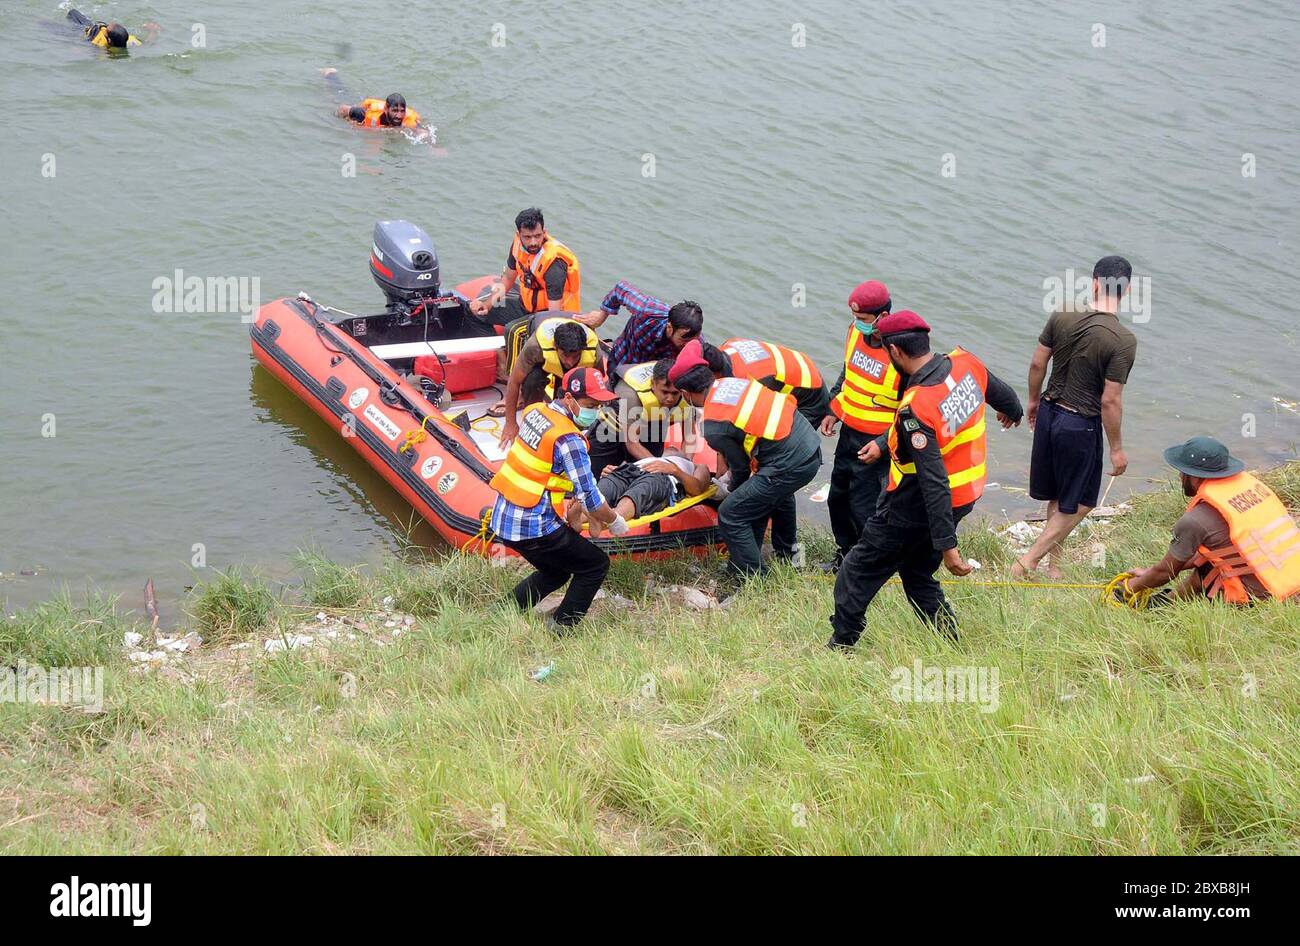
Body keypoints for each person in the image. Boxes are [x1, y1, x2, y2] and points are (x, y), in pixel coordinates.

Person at [828, 311, 1024, 650]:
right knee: (917, 575)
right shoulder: (966, 364)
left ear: (896, 353)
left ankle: (841, 644)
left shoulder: (916, 408)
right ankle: (953, 642)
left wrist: (949, 549)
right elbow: (1008, 399)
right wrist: (1014, 412)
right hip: (965, 496)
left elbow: (933, 481)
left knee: (855, 571)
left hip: (914, 505)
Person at [1014, 255, 1138, 580]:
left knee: (1059, 496)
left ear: (1095, 282)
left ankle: (1056, 568)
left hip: (1049, 413)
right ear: (1126, 290)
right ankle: (1027, 561)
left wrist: (1032, 400)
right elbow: (1110, 400)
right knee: (1082, 502)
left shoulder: (1064, 313)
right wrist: (1117, 448)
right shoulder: (1122, 340)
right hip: (1079, 424)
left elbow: (1037, 364)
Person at [488, 367, 629, 631]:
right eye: (590, 404)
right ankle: (561, 629)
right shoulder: (569, 439)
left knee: (557, 571)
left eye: (600, 405)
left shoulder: (536, 412)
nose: (596, 411)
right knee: (595, 565)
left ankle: (500, 613)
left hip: (505, 518)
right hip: (533, 526)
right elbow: (590, 497)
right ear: (568, 398)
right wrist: (615, 520)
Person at [671, 341, 822, 577]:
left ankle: (755, 579)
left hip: (789, 463)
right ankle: (777, 558)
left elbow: (740, 470)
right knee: (760, 502)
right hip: (809, 446)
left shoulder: (714, 426)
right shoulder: (733, 382)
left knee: (732, 514)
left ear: (685, 394)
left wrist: (729, 492)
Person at [1115, 437, 1300, 606]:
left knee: (1206, 572)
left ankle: (1163, 607)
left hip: (1268, 595)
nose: (1180, 477)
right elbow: (1220, 551)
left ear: (1193, 477)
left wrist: (1129, 588)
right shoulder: (1251, 489)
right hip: (1289, 576)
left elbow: (1167, 572)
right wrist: (1149, 573)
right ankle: (1167, 604)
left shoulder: (1195, 520)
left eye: (1182, 472)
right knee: (1208, 563)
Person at [818, 280, 902, 569]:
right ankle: (845, 554)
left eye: (865, 320)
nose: (859, 324)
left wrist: (882, 444)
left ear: (884, 316)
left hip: (878, 442)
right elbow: (848, 374)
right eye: (856, 318)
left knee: (864, 506)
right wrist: (833, 407)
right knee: (837, 499)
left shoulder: (901, 351)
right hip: (849, 434)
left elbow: (914, 409)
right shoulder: (855, 332)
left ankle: (864, 564)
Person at [469, 207, 581, 330]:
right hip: (526, 307)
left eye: (537, 236)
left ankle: (511, 346)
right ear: (519, 235)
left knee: (512, 329)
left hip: (551, 315)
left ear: (544, 233)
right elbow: (507, 278)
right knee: (476, 313)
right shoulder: (517, 245)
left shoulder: (554, 263)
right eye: (527, 237)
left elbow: (553, 315)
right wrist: (487, 305)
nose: (533, 242)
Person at [497, 318, 602, 446]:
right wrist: (510, 423)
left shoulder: (594, 352)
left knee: (574, 389)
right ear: (555, 347)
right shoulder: (535, 347)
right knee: (532, 381)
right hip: (542, 356)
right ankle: (532, 418)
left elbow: (597, 389)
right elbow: (514, 382)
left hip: (569, 367)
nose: (570, 362)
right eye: (565, 355)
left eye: (575, 356)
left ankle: (564, 423)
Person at [572, 449, 716, 535]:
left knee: (641, 491)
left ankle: (608, 519)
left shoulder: (695, 465)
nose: (672, 446)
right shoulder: (651, 458)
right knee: (608, 485)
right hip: (631, 469)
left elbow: (697, 488)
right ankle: (579, 518)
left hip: (664, 477)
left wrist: (674, 470)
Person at [586, 358, 686, 475]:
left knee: (647, 474)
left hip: (651, 424)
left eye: (675, 393)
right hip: (612, 429)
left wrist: (686, 464)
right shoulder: (631, 396)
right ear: (653, 385)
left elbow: (690, 436)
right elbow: (631, 443)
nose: (670, 399)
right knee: (598, 475)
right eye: (665, 392)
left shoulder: (686, 391)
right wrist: (660, 467)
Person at [574, 282, 703, 369]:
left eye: (693, 340)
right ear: (670, 328)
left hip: (654, 377)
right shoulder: (648, 311)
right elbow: (621, 289)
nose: (688, 345)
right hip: (623, 359)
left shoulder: (696, 341)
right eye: (683, 339)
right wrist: (602, 315)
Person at [720, 337, 830, 428]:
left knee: (781, 440)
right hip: (800, 367)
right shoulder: (729, 344)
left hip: (812, 399)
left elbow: (755, 418)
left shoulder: (755, 382)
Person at [67, 8, 159, 48]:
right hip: (91, 25)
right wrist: (153, 31)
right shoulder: (132, 42)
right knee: (72, 12)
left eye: (106, 30)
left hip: (82, 31)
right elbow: (147, 43)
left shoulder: (99, 44)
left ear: (109, 41)